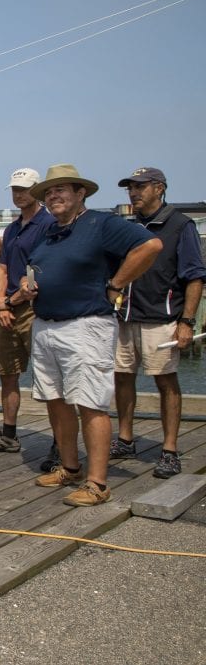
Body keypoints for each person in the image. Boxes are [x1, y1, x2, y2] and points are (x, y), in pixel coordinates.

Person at [18, 164, 160, 506]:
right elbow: (35, 269)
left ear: (81, 193)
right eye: (48, 192)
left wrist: (115, 284)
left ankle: (98, 483)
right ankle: (70, 466)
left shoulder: (101, 223)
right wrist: (27, 284)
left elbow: (150, 246)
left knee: (91, 403)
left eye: (61, 189)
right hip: (46, 325)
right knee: (55, 400)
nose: (53, 196)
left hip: (86, 325)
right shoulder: (49, 232)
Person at [111, 167, 206, 479]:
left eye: (140, 187)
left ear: (159, 188)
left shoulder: (181, 225)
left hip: (162, 318)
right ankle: (125, 438)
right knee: (121, 377)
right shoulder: (128, 226)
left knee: (166, 381)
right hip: (125, 316)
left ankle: (169, 449)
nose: (133, 193)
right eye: (130, 188)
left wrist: (187, 322)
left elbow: (194, 276)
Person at [0, 168, 55, 455]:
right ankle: (9, 434)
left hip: (37, 308)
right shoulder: (11, 228)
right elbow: (3, 267)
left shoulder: (49, 224)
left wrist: (10, 302)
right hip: (8, 309)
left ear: (38, 190)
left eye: (24, 188)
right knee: (7, 374)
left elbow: (40, 273)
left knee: (49, 376)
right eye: (15, 189)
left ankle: (60, 441)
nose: (19, 194)